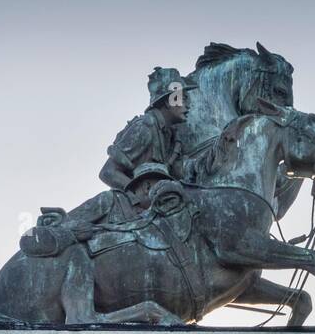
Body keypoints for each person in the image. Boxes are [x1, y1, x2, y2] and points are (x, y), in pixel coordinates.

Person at [19, 67, 196, 258]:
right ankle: (50, 233)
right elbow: (107, 172)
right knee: (74, 226)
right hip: (123, 200)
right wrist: (136, 197)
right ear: (169, 102)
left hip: (151, 202)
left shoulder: (169, 135)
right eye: (182, 99)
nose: (188, 105)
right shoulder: (145, 126)